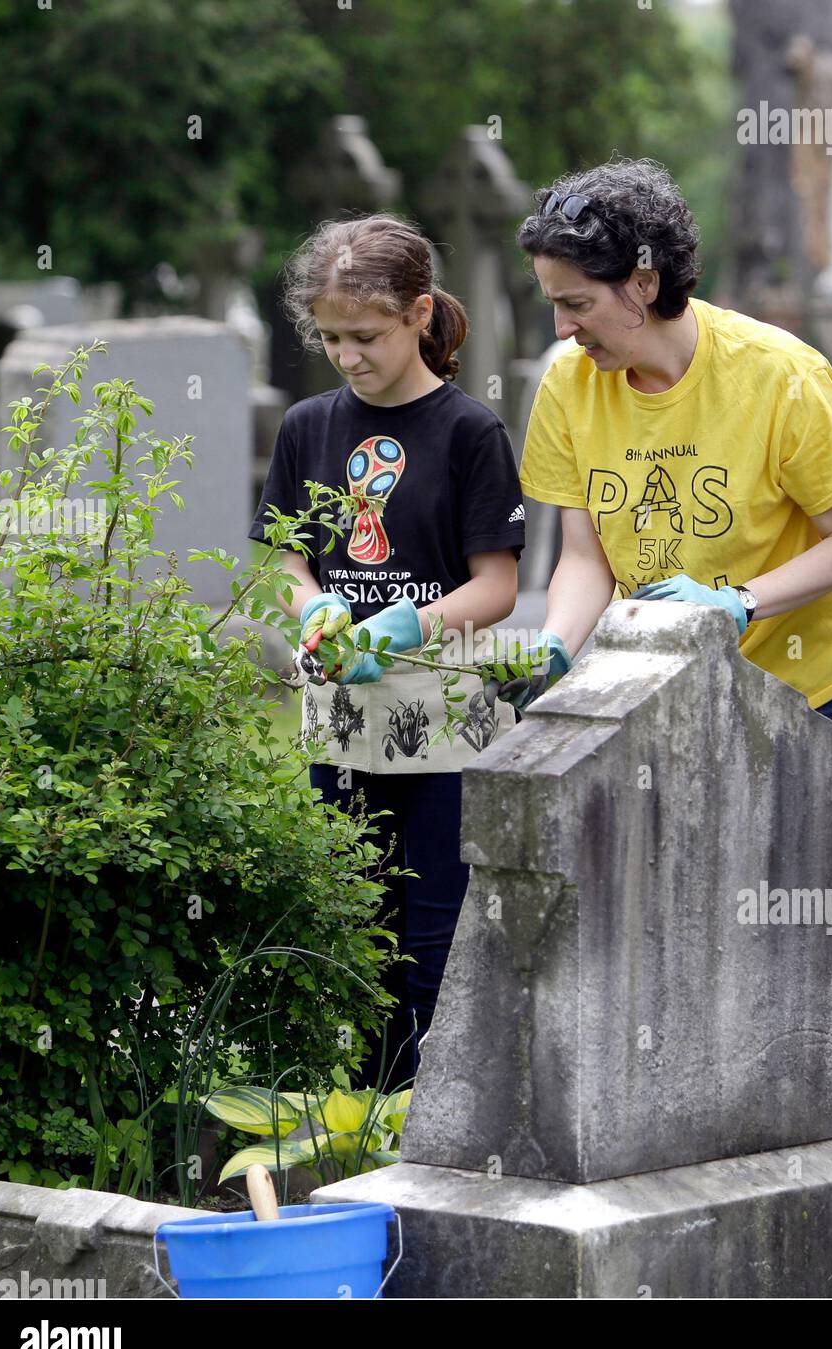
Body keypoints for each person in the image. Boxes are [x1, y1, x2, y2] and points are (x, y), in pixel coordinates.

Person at [492, 157, 832, 1144]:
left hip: (807, 694)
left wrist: (737, 600)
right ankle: (724, 1149)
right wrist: (554, 648)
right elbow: (583, 553)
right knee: (682, 935)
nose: (562, 329)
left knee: (806, 941)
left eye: (576, 302)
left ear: (642, 280)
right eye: (551, 305)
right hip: (661, 695)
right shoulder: (570, 386)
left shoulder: (778, 376)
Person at [249, 214, 526, 1092]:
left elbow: (496, 586)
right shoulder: (306, 427)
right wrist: (314, 608)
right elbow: (287, 558)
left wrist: (405, 624)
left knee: (435, 932)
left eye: (364, 336)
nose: (346, 355)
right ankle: (362, 1107)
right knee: (352, 918)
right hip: (340, 714)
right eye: (329, 337)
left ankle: (433, 1110)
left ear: (416, 315)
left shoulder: (468, 431)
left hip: (444, 721)